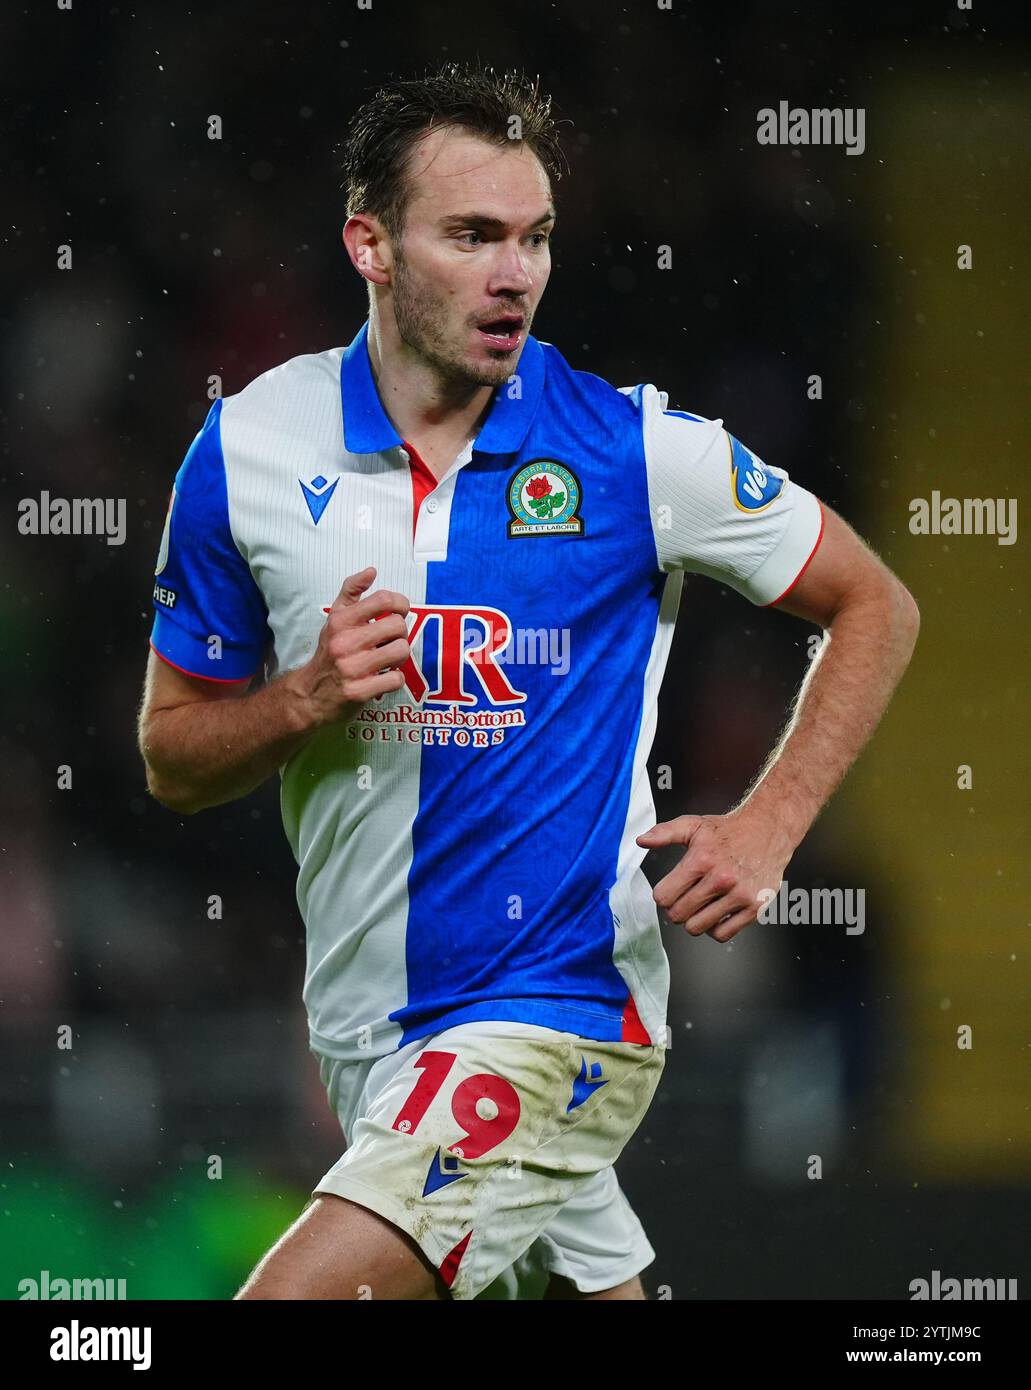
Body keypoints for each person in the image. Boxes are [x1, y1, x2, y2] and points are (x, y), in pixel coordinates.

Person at [137, 62, 919, 1301]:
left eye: (535, 237)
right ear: (371, 245)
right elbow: (170, 758)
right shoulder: (246, 451)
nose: (515, 274)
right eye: (473, 236)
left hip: (557, 1012)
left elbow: (874, 601)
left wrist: (770, 822)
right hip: (366, 1040)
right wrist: (299, 699)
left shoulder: (630, 452)